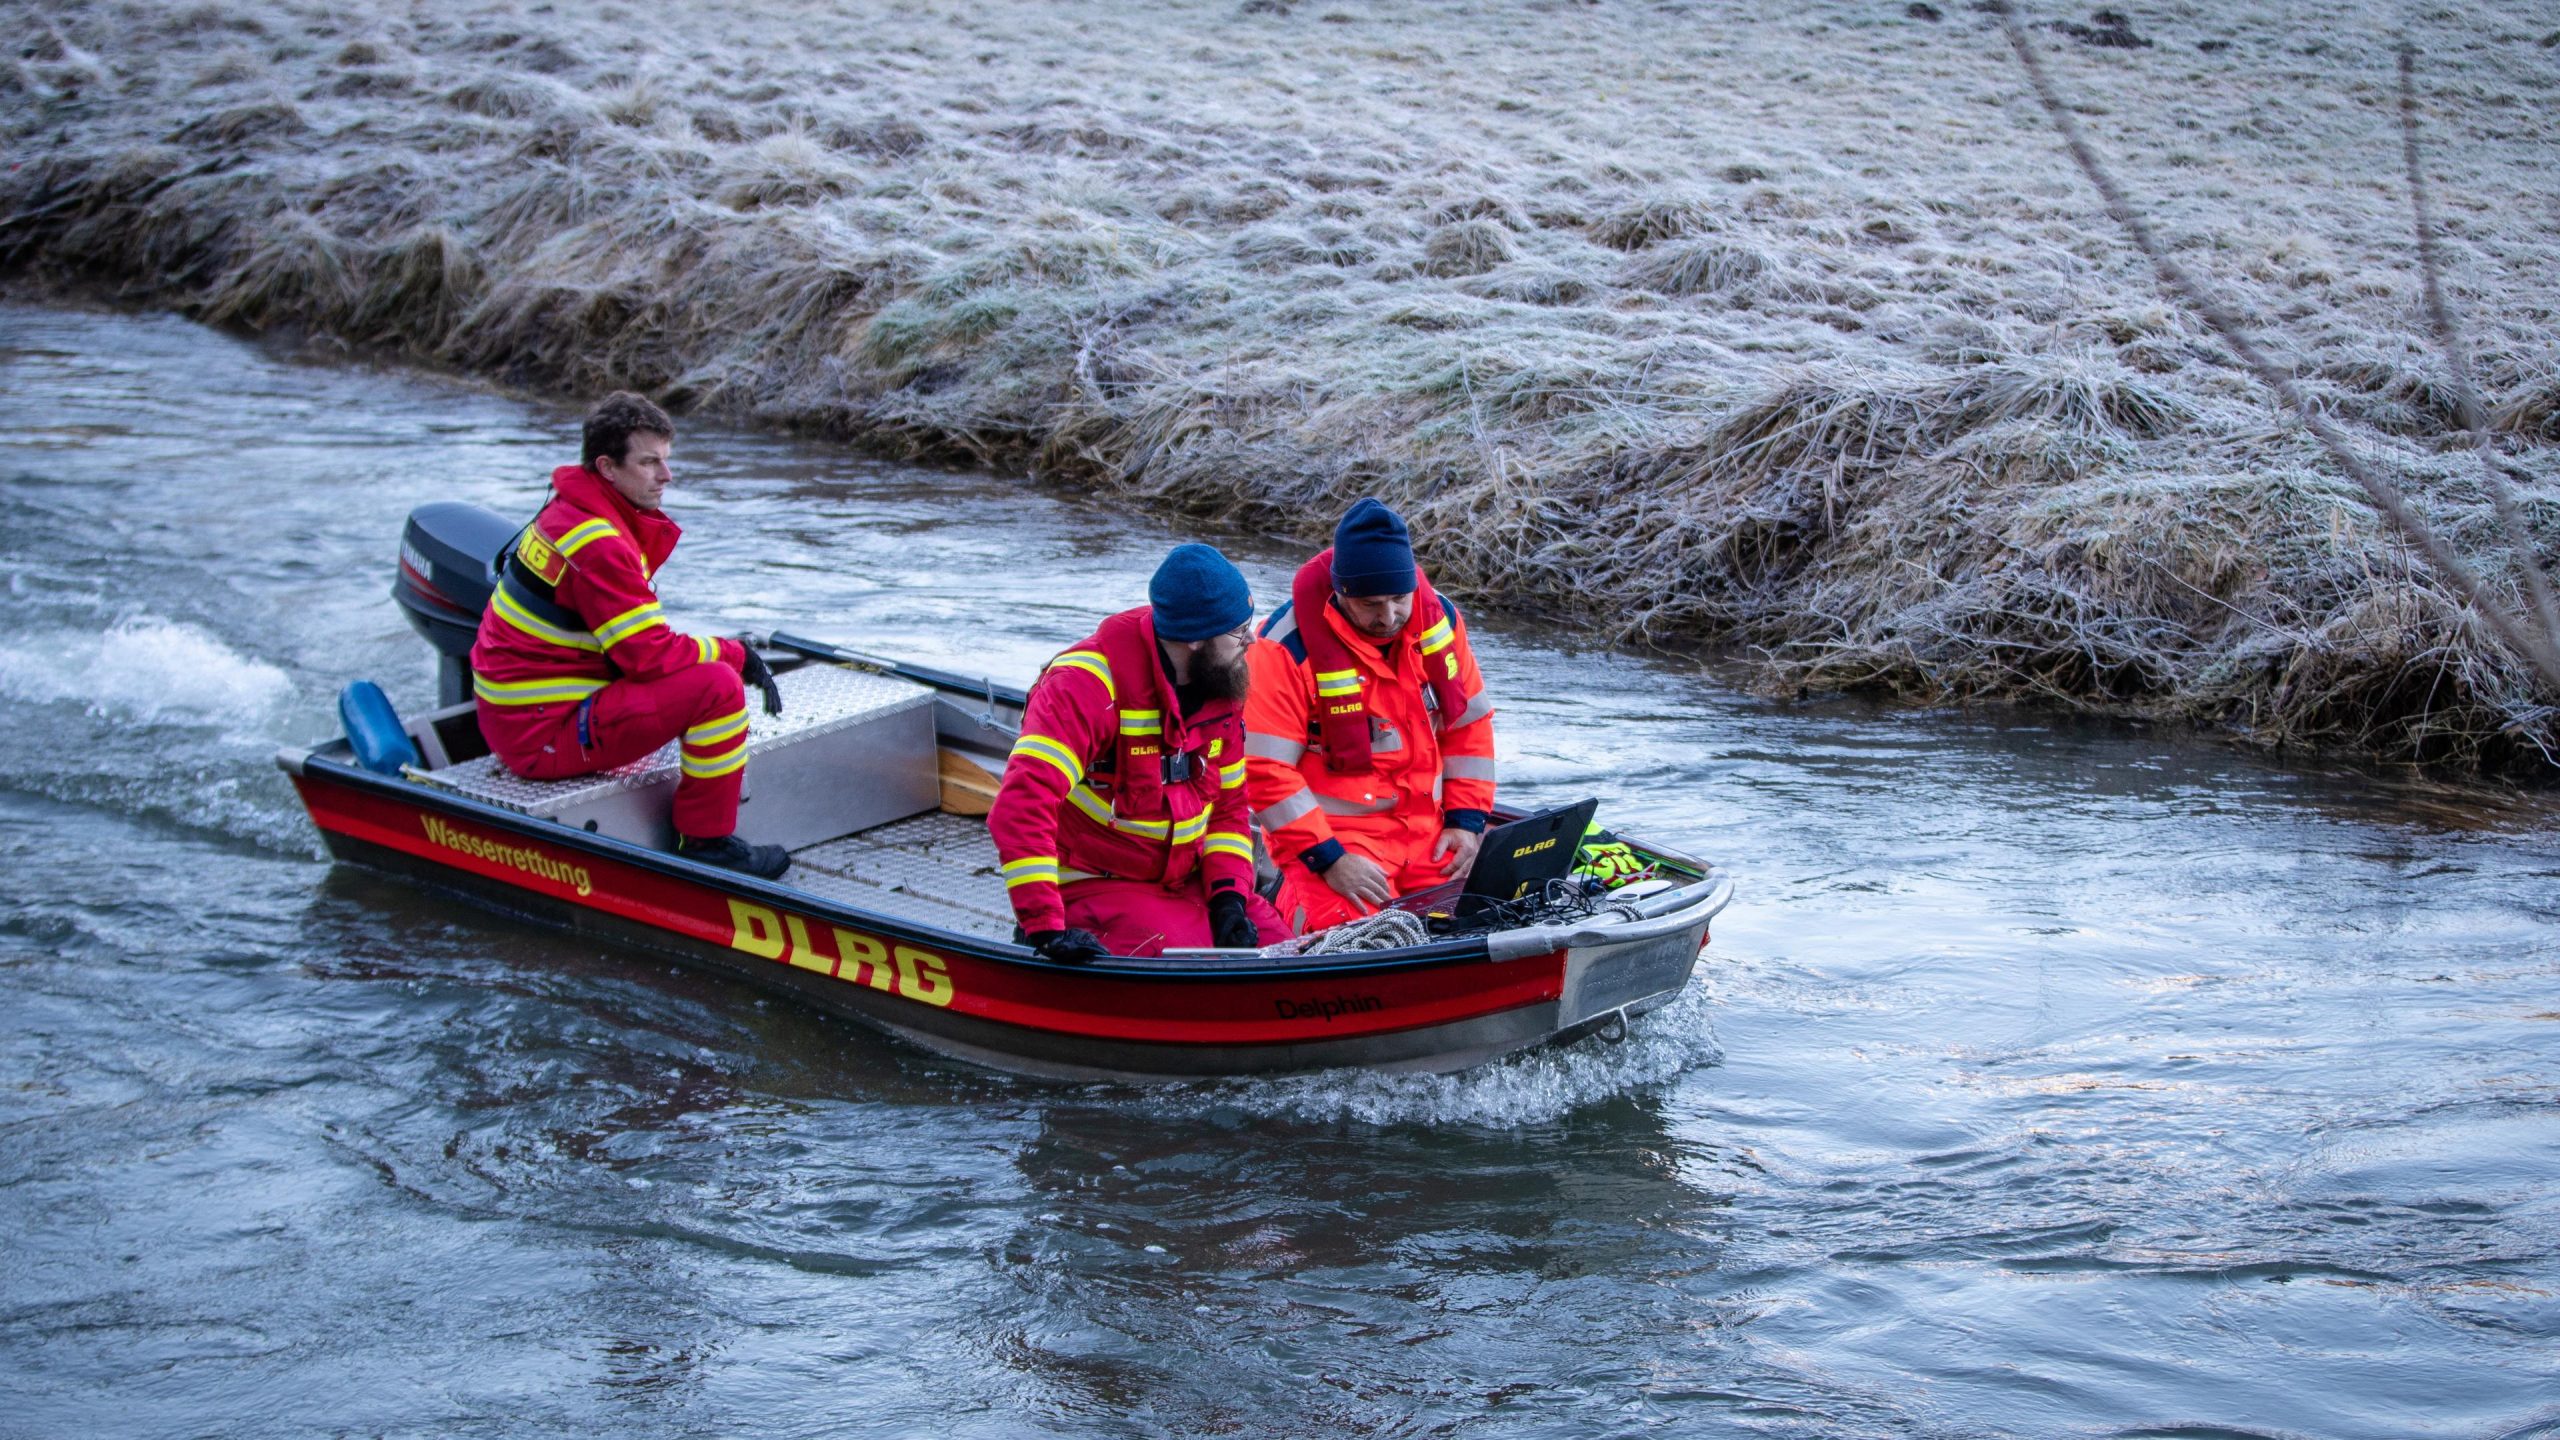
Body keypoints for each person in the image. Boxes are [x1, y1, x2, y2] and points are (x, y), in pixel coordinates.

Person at [468, 391, 788, 878]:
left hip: (519, 714)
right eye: (650, 463)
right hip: (541, 734)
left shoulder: (570, 511)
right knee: (717, 688)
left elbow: (632, 643)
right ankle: (706, 843)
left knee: (703, 670)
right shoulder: (599, 544)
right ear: (607, 468)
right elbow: (648, 654)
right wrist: (735, 654)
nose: (667, 476)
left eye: (666, 461)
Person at [988, 544, 1291, 962]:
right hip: (1093, 882)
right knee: (1191, 966)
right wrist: (1045, 926)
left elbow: (1229, 809)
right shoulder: (1086, 686)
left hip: (1185, 878)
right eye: (1239, 632)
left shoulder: (1221, 683)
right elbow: (1021, 805)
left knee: (1284, 949)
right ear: (1195, 640)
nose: (1251, 640)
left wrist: (1229, 899)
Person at [1243, 498, 1497, 932]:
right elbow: (1265, 771)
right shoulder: (1281, 650)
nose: (1389, 617)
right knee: (1348, 936)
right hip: (1335, 841)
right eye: (1371, 604)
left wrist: (1466, 822)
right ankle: (1284, 899)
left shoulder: (1442, 623)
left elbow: (1468, 726)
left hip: (1430, 834)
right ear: (1341, 594)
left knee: (1491, 913)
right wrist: (1329, 859)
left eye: (1399, 599)